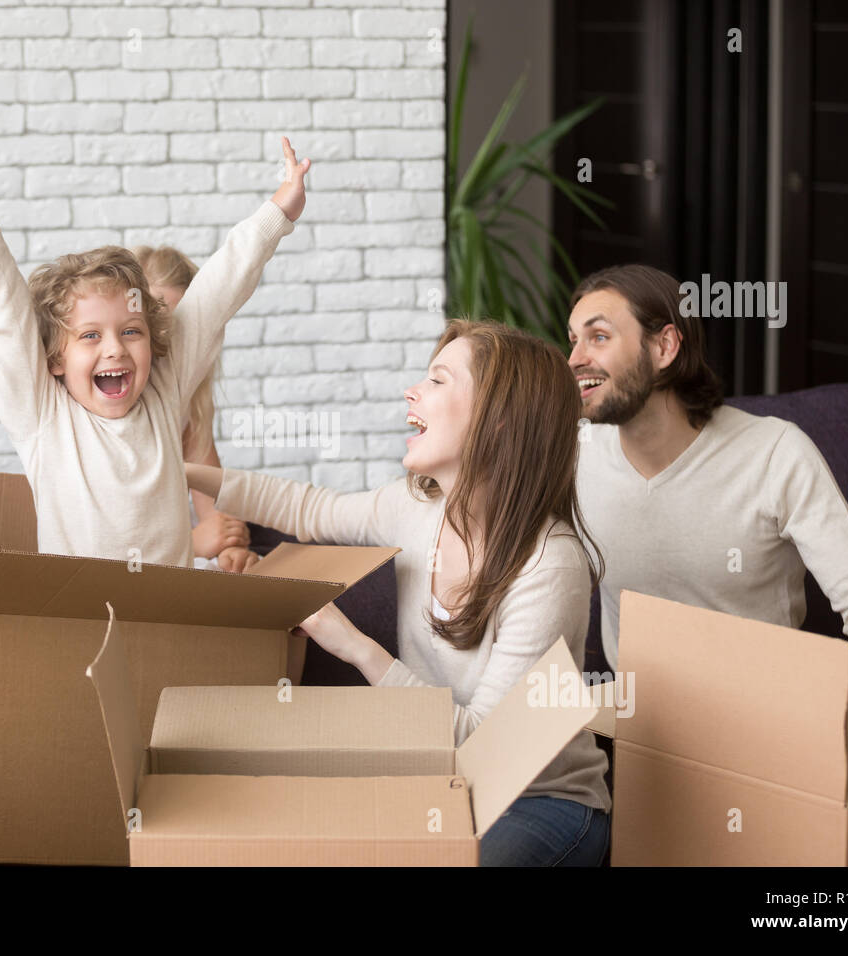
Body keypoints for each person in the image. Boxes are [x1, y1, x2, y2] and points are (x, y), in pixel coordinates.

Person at [187, 319, 611, 866]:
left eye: (437, 380)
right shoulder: (415, 508)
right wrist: (182, 472)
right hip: (443, 786)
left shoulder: (549, 563)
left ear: (500, 419)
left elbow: (487, 750)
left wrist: (356, 646)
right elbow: (308, 509)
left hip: (539, 799)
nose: (412, 392)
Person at [0, 110, 307, 566]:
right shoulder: (42, 415)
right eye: (90, 335)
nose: (114, 347)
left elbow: (215, 293)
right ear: (55, 357)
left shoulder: (165, 394)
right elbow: (3, 314)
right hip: (83, 627)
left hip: (168, 623)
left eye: (130, 331)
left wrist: (278, 213)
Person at [566, 263, 848, 669]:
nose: (574, 359)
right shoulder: (577, 454)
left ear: (664, 348)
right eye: (572, 340)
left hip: (764, 715)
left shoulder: (774, 453)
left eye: (599, 337)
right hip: (639, 720)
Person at [133, 245, 258, 572]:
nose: (164, 344)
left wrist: (229, 547)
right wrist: (190, 543)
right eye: (150, 325)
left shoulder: (187, 406)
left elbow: (215, 506)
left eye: (176, 331)